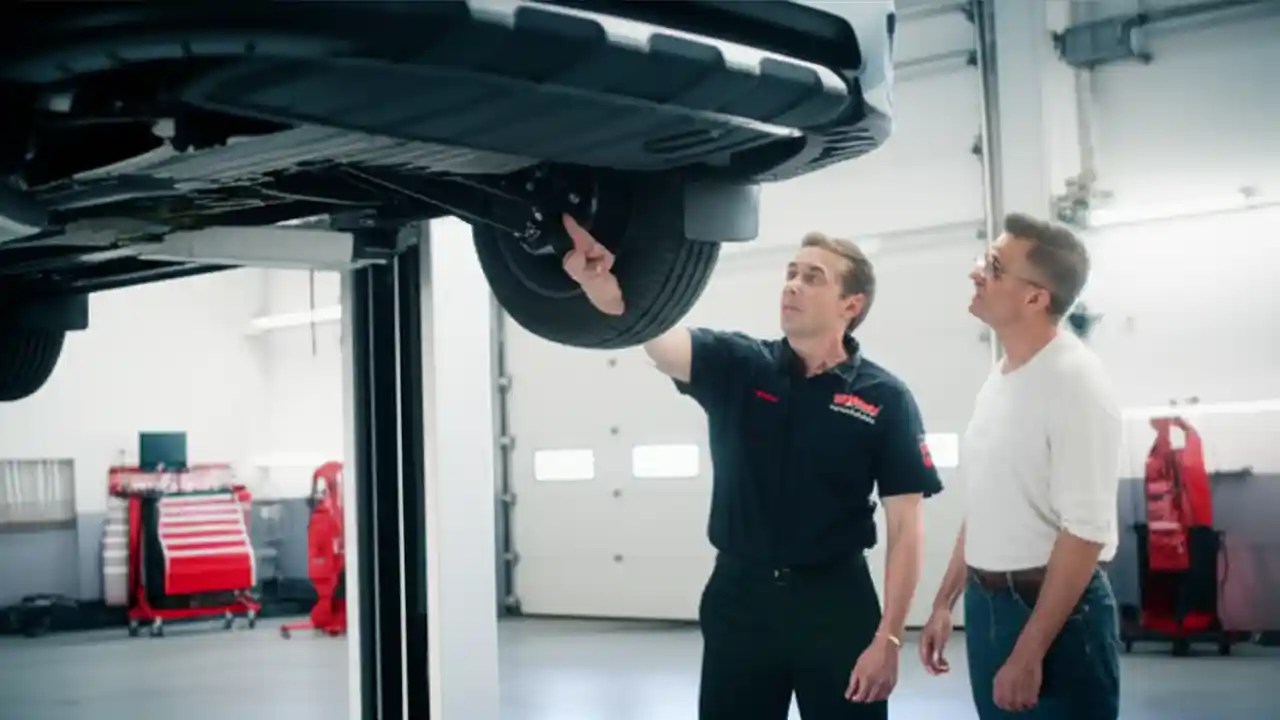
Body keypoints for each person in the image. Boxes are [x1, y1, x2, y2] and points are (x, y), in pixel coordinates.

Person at [559, 213, 943, 720]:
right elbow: (658, 340)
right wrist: (604, 289)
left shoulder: (884, 397)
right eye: (791, 273)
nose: (793, 285)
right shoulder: (740, 365)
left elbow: (906, 527)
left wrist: (889, 638)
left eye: (813, 277)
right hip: (740, 597)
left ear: (851, 305)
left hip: (835, 603)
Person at [918, 213, 1123, 719]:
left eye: (993, 266)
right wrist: (945, 602)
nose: (976, 272)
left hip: (1054, 619)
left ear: (1035, 298)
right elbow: (986, 505)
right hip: (989, 606)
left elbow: (1086, 533)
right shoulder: (1002, 377)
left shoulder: (1075, 383)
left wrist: (1029, 652)